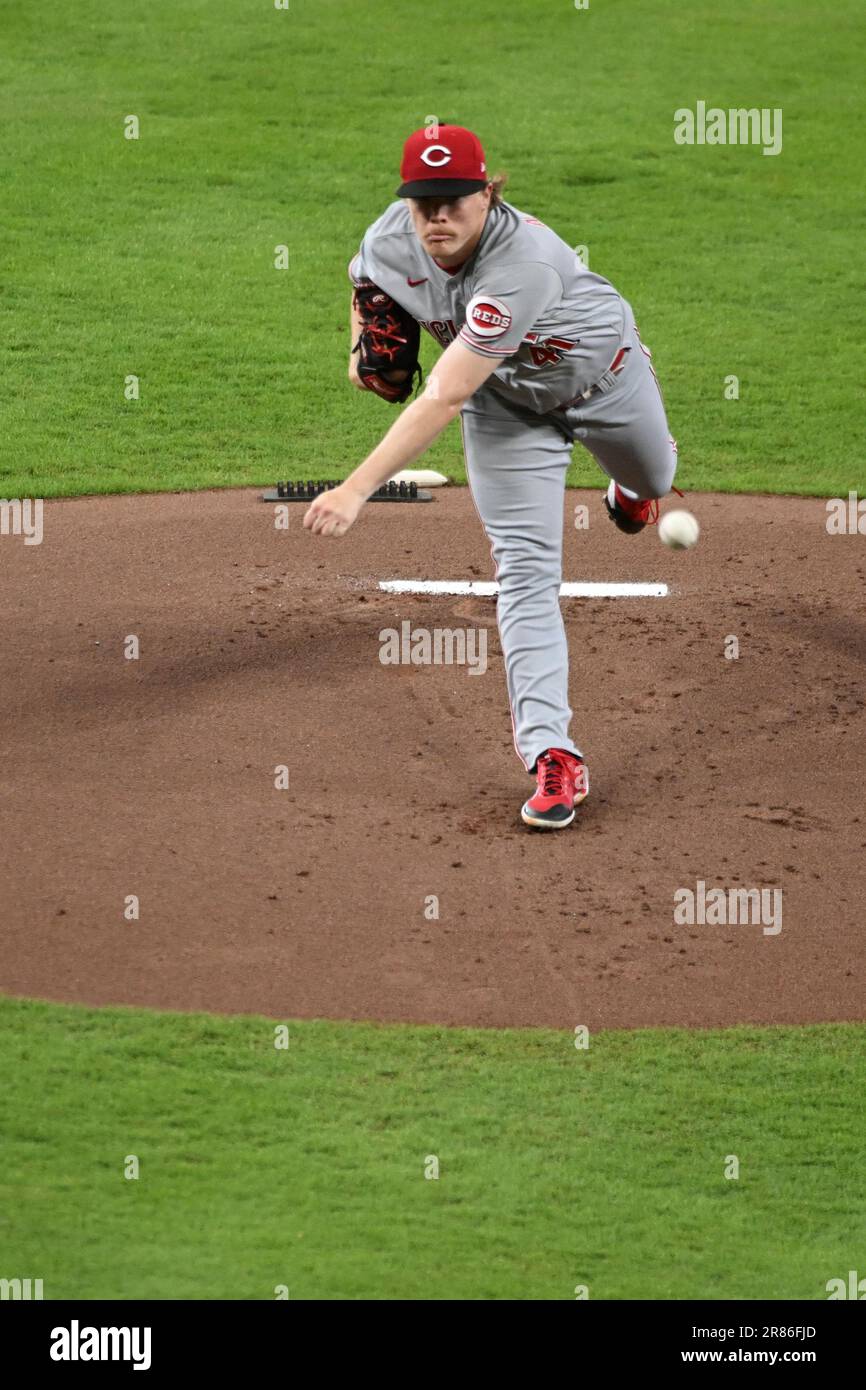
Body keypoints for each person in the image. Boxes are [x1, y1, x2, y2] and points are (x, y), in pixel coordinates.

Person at [304, 124, 679, 829]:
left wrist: (356, 488)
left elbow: (443, 395)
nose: (436, 217)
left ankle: (632, 490)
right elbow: (364, 275)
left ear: (488, 193)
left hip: (606, 385)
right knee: (525, 571)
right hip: (506, 411)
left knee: (655, 475)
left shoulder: (523, 265)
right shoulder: (392, 237)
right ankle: (554, 757)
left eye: (453, 200)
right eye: (423, 202)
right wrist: (362, 341)